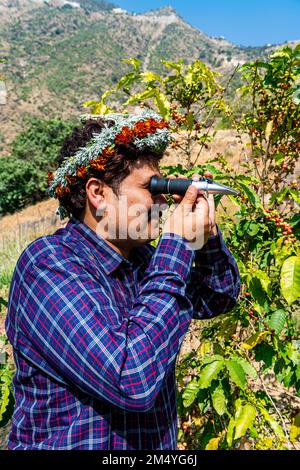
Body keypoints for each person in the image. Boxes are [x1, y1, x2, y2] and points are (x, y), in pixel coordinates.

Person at [5, 111, 240, 450]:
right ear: (98, 193)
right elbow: (132, 380)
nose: (161, 201)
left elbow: (218, 296)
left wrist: (203, 239)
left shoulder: (144, 262)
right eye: (150, 188)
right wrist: (176, 244)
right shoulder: (49, 266)